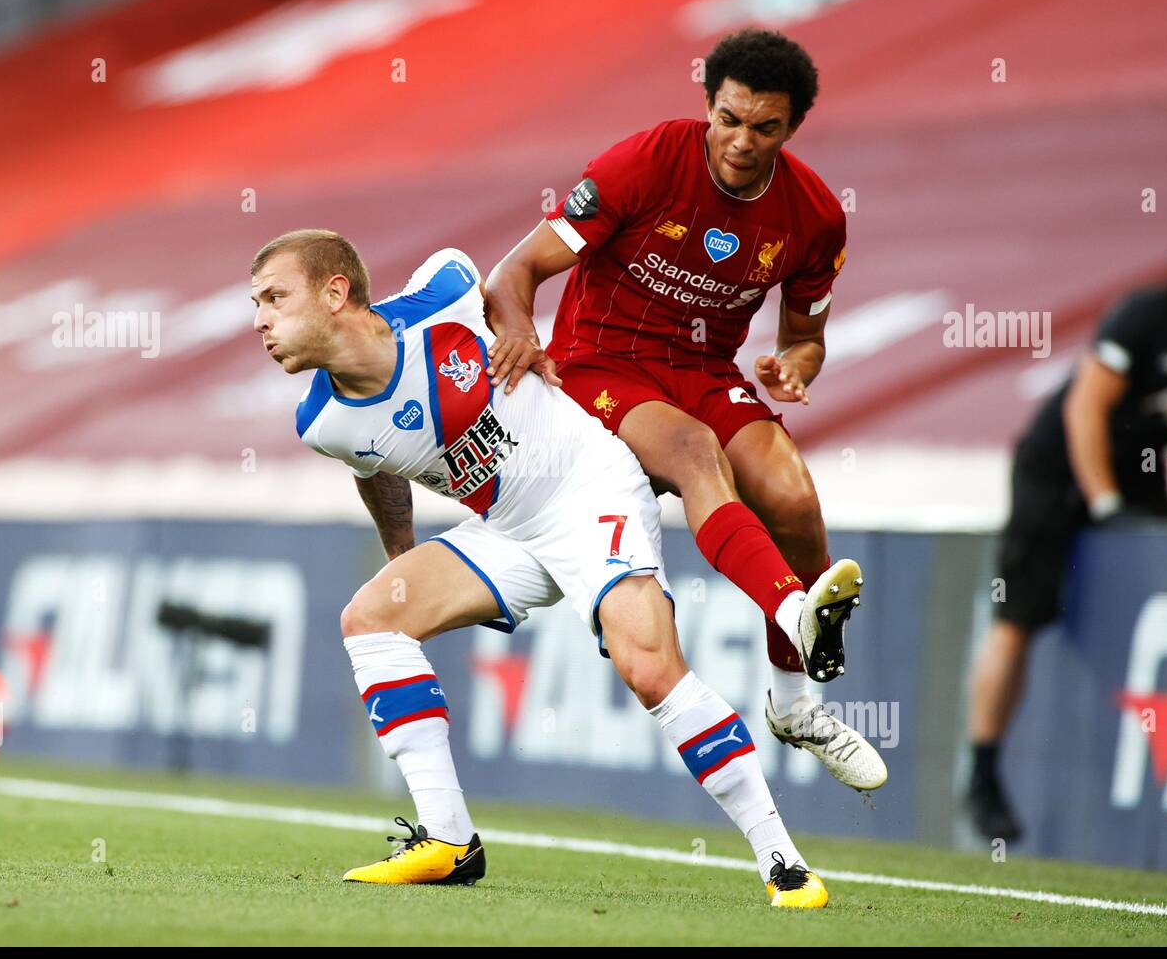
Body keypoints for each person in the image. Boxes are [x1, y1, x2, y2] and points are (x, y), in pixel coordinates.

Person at [251, 229, 888, 906]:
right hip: (509, 527)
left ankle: (782, 862)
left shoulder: (444, 292)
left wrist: (522, 331)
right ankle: (448, 842)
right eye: (256, 303)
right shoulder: (320, 419)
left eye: (274, 297)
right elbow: (371, 468)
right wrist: (402, 555)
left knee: (649, 669)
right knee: (371, 618)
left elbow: (507, 280)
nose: (261, 319)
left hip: (588, 489)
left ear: (335, 292)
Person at [484, 28, 855, 754]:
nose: (743, 141)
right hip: (602, 362)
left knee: (794, 497)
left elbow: (804, 337)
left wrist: (798, 365)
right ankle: (790, 606)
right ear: (708, 105)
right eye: (729, 119)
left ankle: (792, 702)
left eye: (765, 127)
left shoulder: (814, 216)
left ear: (793, 127)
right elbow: (511, 273)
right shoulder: (645, 161)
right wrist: (524, 333)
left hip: (707, 371)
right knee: (694, 450)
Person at [966, 253, 1167, 841]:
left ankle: (1162, 758)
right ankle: (983, 774)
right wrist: (1103, 505)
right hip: (1058, 466)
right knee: (1018, 617)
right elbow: (1085, 407)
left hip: (1137, 469)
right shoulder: (1152, 314)